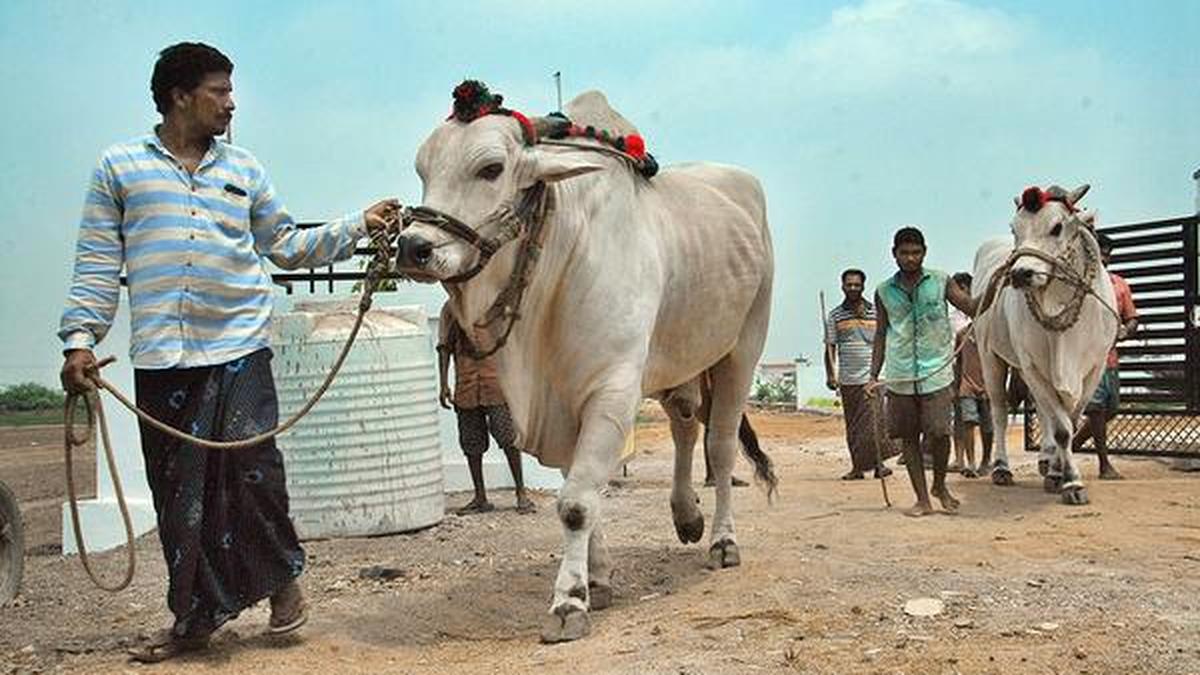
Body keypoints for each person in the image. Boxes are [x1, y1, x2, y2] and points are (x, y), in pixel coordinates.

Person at [57, 42, 400, 662]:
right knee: (180, 494)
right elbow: (97, 265)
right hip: (163, 357)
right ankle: (194, 619)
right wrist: (80, 340)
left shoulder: (244, 169)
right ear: (179, 96)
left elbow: (288, 246)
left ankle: (282, 582)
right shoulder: (120, 168)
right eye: (219, 90)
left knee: (253, 473)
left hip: (241, 347)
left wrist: (358, 226)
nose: (231, 102)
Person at [868, 227, 975, 517]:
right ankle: (922, 499)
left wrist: (995, 286)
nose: (910, 258)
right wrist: (873, 375)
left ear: (924, 252)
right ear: (894, 254)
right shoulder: (883, 291)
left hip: (936, 372)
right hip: (900, 374)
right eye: (904, 253)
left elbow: (970, 305)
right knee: (909, 437)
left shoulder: (941, 281)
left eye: (916, 252)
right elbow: (880, 334)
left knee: (940, 433)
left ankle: (940, 485)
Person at [437, 303, 536, 514]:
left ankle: (521, 492)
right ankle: (480, 496)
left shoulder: (492, 303)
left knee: (508, 437)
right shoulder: (450, 310)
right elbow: (444, 346)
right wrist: (444, 383)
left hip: (496, 383)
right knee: (471, 443)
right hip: (466, 384)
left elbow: (512, 341)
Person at [1072, 233, 1138, 479]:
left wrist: (1125, 331)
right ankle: (1104, 464)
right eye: (1100, 252)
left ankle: (1071, 446)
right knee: (1096, 409)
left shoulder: (1119, 284)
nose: (1104, 257)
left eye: (1108, 253)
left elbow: (1132, 318)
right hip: (1088, 358)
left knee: (1111, 409)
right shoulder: (1078, 284)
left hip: (1110, 358)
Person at [824, 268, 893, 480]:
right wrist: (830, 375)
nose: (853, 288)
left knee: (875, 424)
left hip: (873, 378)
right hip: (848, 379)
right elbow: (830, 348)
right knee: (853, 426)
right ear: (842, 286)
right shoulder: (835, 315)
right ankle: (857, 468)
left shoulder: (876, 312)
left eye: (857, 284)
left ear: (863, 286)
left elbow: (884, 342)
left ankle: (879, 465)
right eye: (849, 284)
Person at [950, 273, 993, 479]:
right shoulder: (961, 334)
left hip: (988, 386)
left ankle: (986, 460)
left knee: (988, 426)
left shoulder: (991, 334)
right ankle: (970, 462)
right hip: (967, 386)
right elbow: (957, 362)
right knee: (967, 422)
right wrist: (955, 387)